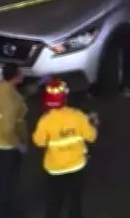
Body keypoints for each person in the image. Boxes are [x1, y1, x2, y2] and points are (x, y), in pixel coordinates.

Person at [33, 79, 98, 218]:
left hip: (55, 169)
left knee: (54, 203)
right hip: (76, 166)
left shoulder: (45, 121)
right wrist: (93, 124)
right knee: (75, 203)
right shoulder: (78, 116)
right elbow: (91, 137)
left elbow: (39, 142)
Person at [0, 63, 28, 218]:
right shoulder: (11, 103)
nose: (22, 75)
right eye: (20, 72)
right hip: (7, 146)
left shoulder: (0, 87)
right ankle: (4, 212)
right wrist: (19, 145)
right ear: (16, 76)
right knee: (8, 181)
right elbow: (9, 129)